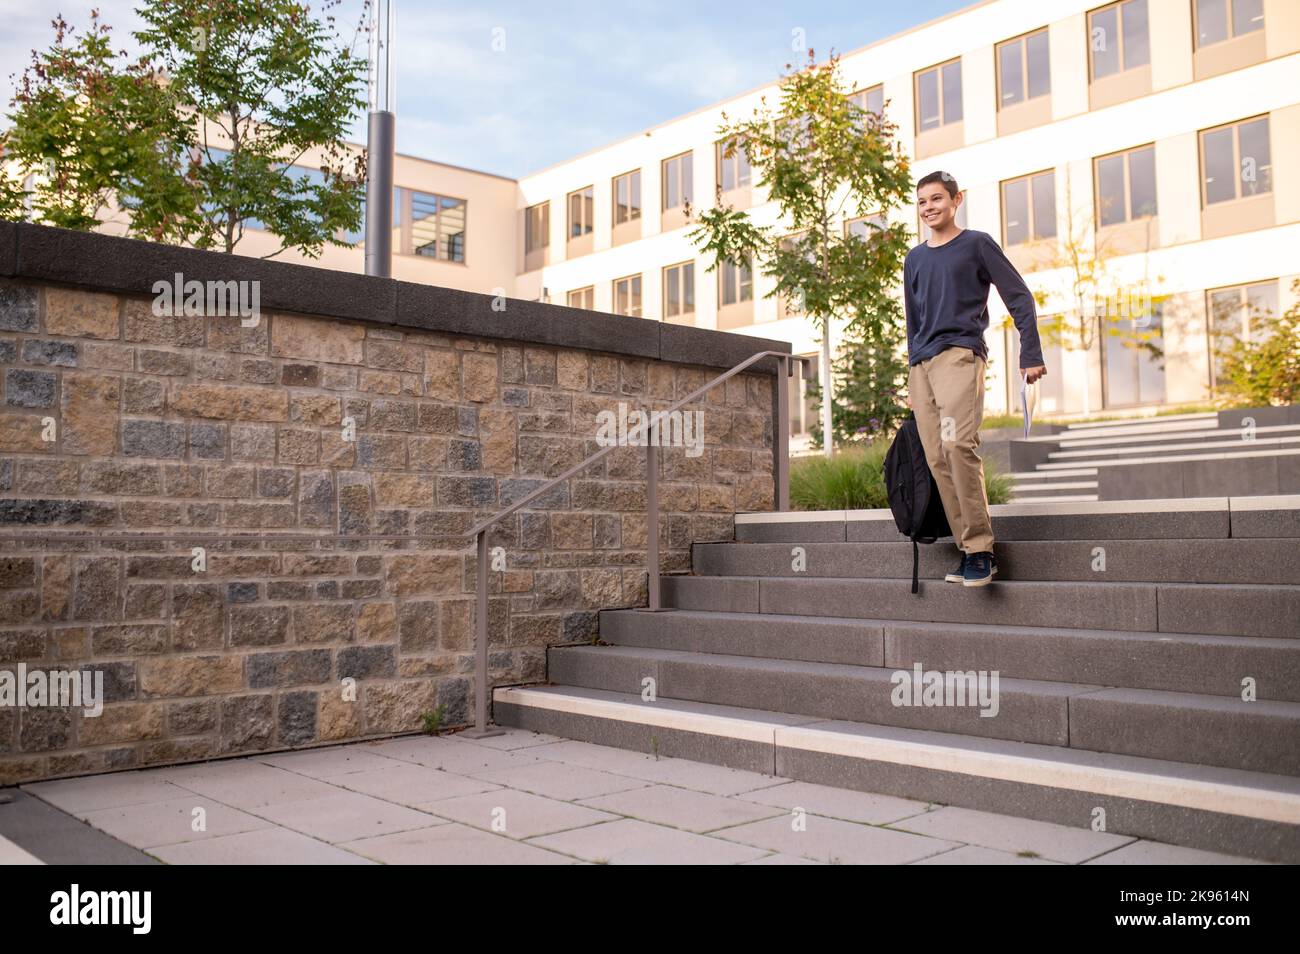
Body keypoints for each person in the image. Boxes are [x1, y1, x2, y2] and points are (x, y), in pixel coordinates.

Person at [904, 171, 1047, 587]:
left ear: (956, 200)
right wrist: (912, 377)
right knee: (935, 456)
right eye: (922, 202)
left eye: (936, 199)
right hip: (922, 367)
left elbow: (1019, 296)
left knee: (957, 445)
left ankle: (982, 549)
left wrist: (1031, 353)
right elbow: (913, 321)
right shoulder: (914, 258)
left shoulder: (977, 244)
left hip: (960, 356)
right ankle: (967, 549)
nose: (929, 207)